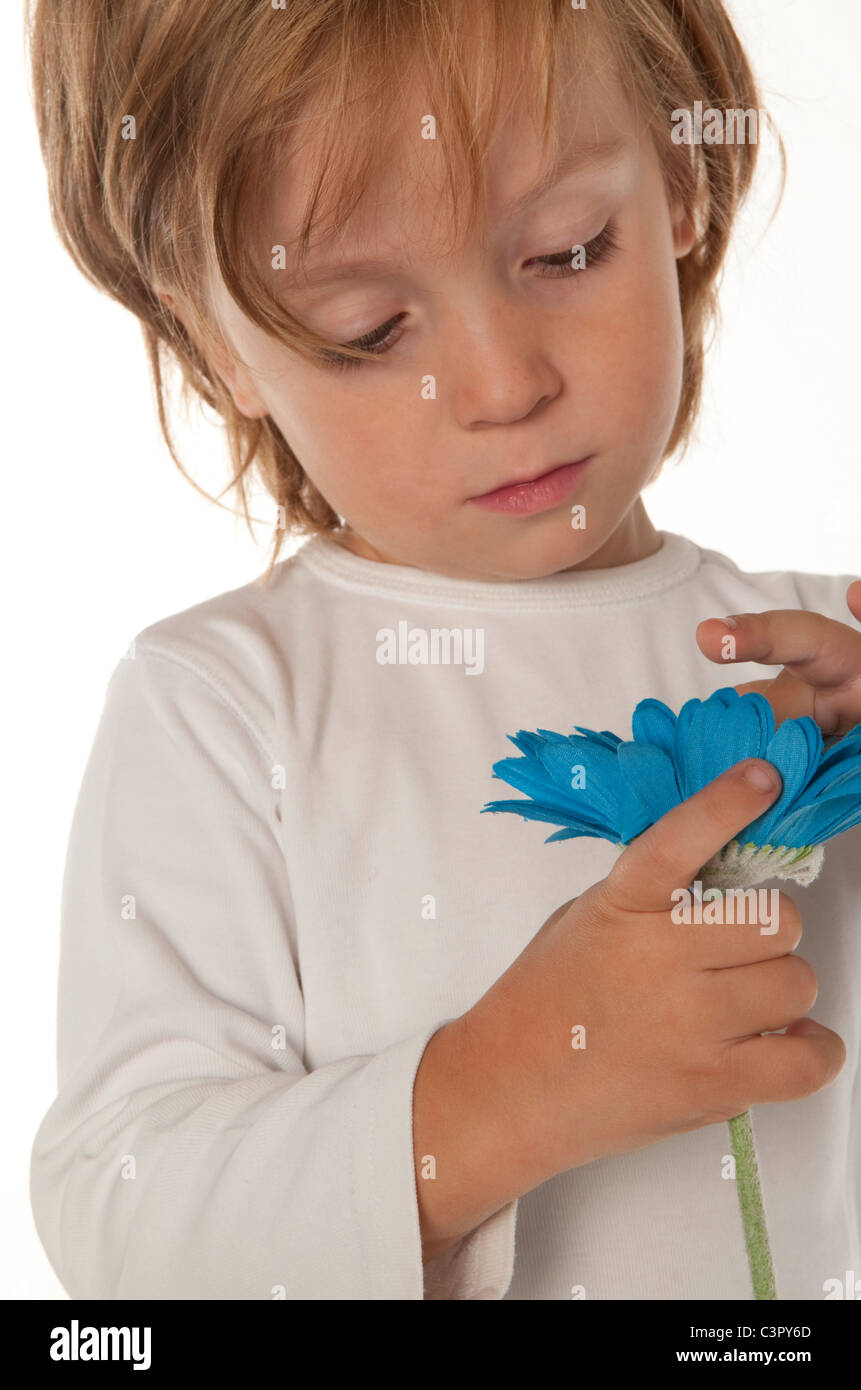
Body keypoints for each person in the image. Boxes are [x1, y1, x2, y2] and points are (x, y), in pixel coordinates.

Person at [26, 0, 859, 1299]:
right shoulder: (227, 709)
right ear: (213, 341)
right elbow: (121, 1204)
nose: (498, 384)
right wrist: (496, 1093)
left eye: (568, 251)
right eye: (368, 331)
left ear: (681, 176)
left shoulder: (831, 660)